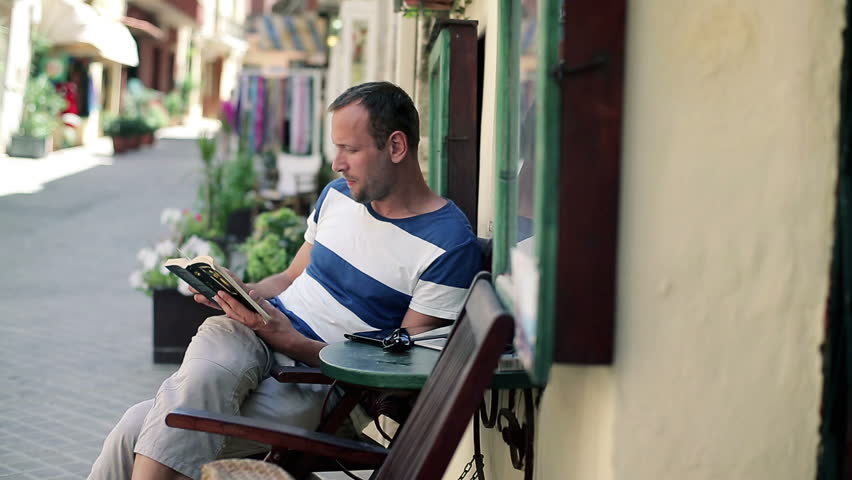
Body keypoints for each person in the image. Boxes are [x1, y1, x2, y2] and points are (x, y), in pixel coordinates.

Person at [88, 81, 482, 480]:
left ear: (396, 147)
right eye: (337, 147)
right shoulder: (338, 197)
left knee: (138, 427)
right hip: (253, 332)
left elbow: (397, 373)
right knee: (194, 387)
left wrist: (289, 340)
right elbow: (292, 277)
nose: (337, 163)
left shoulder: (447, 246)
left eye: (350, 149)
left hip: (321, 381)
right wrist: (244, 293)